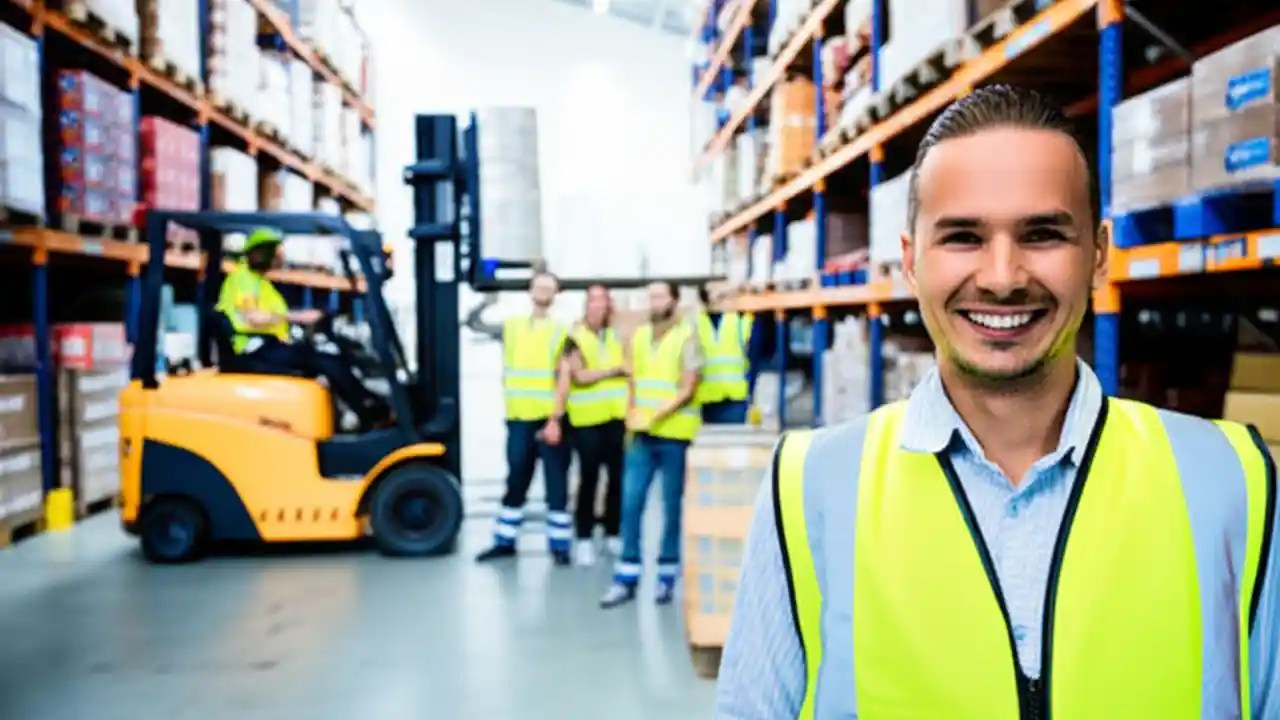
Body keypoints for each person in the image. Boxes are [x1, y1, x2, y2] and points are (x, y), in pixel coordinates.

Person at [716, 84, 1279, 717]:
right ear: (911, 261)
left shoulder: (1232, 479)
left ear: (1097, 254)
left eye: (1042, 234)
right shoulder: (809, 487)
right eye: (962, 237)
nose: (1003, 277)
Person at [215, 227, 388, 428]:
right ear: (258, 253)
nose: (277, 257)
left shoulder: (258, 281)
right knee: (327, 363)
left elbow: (271, 319)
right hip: (252, 351)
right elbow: (253, 318)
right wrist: (299, 317)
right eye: (273, 252)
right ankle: (370, 411)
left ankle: (364, 407)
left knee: (330, 359)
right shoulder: (243, 279)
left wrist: (301, 323)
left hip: (264, 346)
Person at [600, 281, 702, 608]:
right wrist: (631, 414)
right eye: (651, 296)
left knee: (672, 508)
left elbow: (689, 387)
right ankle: (626, 577)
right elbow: (633, 379)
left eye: (660, 296)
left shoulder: (688, 336)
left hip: (674, 436)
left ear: (674, 299)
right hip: (641, 437)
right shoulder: (640, 336)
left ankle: (665, 578)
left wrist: (655, 415)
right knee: (631, 505)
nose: (654, 301)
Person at [469, 271, 575, 566]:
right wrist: (485, 302)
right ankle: (504, 542)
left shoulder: (564, 331)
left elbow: (566, 376)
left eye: (549, 288)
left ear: (555, 295)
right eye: (539, 286)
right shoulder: (511, 326)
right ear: (530, 291)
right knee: (516, 479)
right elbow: (475, 324)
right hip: (518, 419)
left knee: (556, 484)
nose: (543, 292)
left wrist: (556, 416)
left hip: (549, 420)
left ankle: (560, 546)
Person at [545, 284, 628, 567]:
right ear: (586, 305)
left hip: (616, 419)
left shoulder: (615, 335)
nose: (598, 305)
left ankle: (613, 533)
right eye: (593, 300)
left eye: (603, 300)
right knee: (589, 479)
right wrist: (614, 371)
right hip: (586, 422)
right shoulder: (574, 337)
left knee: (617, 478)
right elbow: (578, 376)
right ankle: (583, 538)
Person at [695, 282, 753, 424]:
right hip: (705, 399)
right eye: (721, 295)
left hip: (735, 398)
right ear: (707, 299)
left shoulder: (741, 320)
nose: (728, 300)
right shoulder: (695, 324)